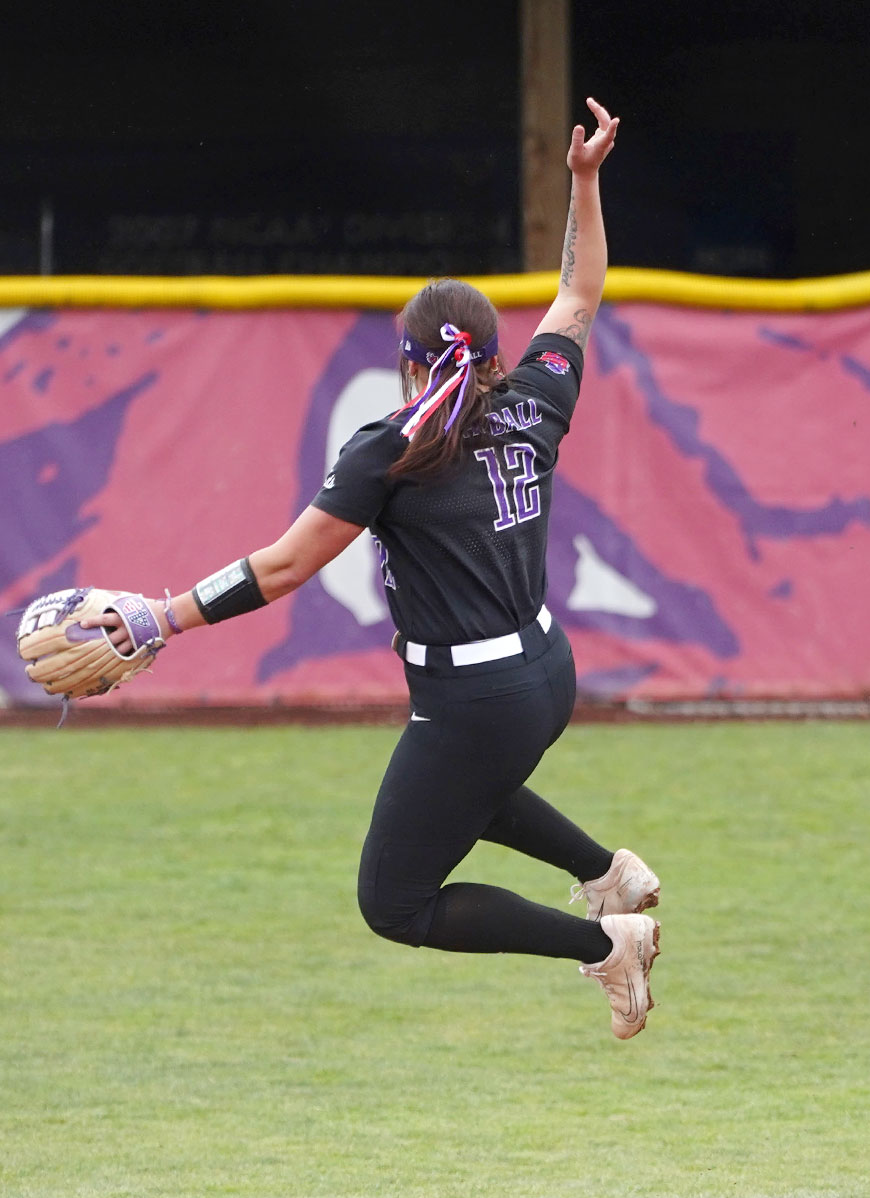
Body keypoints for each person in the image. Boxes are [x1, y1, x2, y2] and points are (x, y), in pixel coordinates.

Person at [91, 99, 662, 1038]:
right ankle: (607, 875)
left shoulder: (391, 448)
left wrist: (163, 618)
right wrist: (586, 182)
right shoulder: (532, 401)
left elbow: (281, 569)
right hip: (547, 674)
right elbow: (579, 293)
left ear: (409, 363)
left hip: (474, 698)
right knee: (461, 797)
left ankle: (607, 947)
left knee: (395, 900)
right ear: (487, 352)